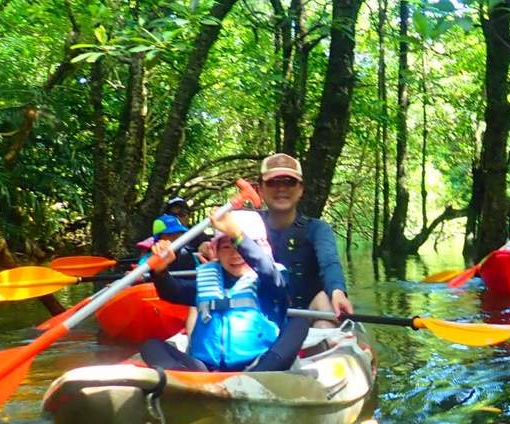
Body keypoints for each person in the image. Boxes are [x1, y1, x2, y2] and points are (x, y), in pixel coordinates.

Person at [140, 209, 310, 372]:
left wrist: (239, 236)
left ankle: (255, 378)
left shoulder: (270, 280)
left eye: (239, 247)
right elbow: (172, 292)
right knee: (150, 345)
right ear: (217, 252)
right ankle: (183, 379)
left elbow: (267, 271)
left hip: (259, 365)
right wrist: (160, 271)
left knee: (299, 323)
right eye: (227, 247)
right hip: (205, 368)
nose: (235, 255)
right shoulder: (209, 280)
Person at [256, 153, 354, 325]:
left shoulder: (317, 229)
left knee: (324, 299)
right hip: (260, 318)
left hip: (308, 314)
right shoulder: (246, 224)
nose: (281, 188)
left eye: (289, 182)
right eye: (273, 182)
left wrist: (337, 291)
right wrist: (206, 246)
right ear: (260, 189)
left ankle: (328, 341)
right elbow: (217, 243)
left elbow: (329, 263)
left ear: (300, 189)